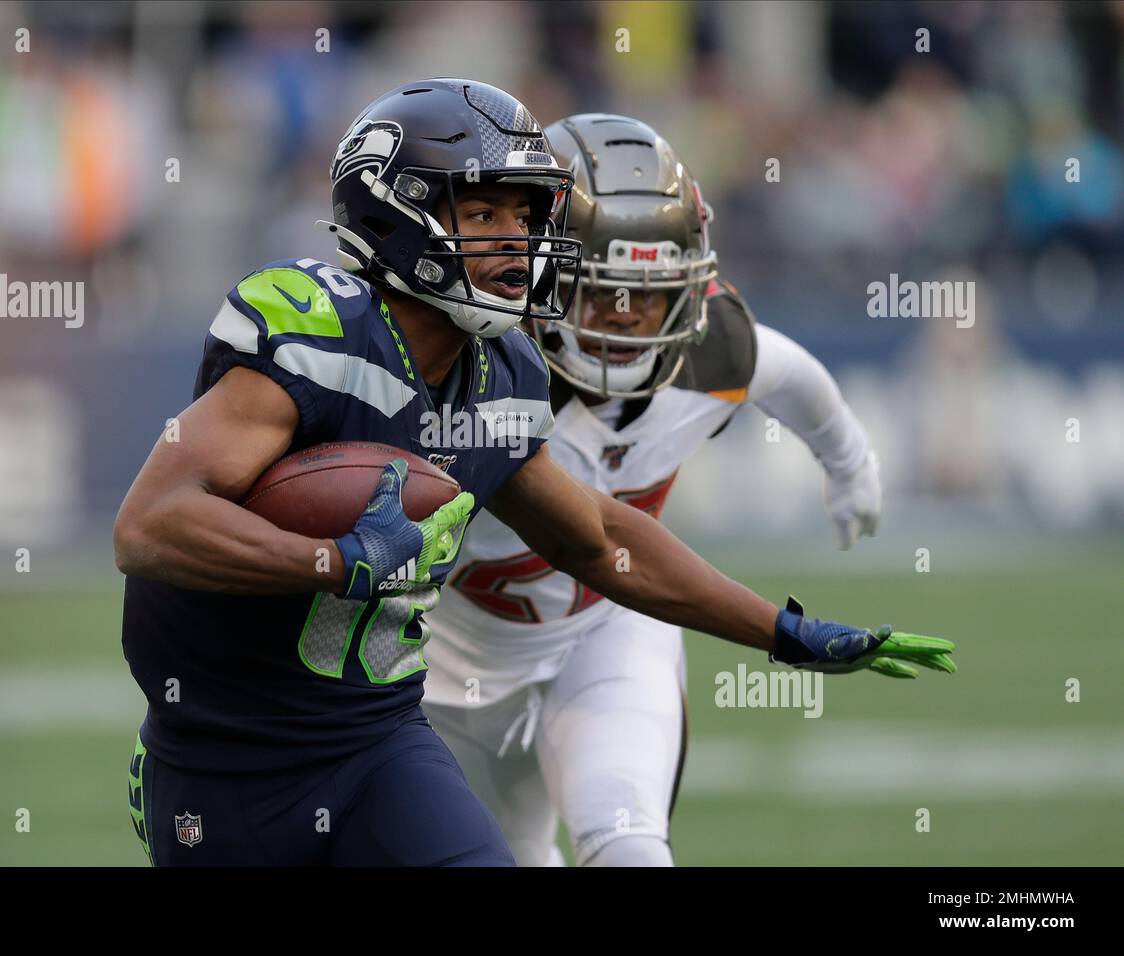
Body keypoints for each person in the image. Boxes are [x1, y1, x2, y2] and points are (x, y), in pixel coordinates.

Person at [114, 83, 954, 867]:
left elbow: (599, 540)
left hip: (375, 737)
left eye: (526, 214)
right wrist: (333, 562)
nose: (520, 242)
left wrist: (780, 631)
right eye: (483, 213)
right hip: (220, 752)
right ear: (396, 215)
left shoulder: (503, 371)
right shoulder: (319, 339)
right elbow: (148, 527)